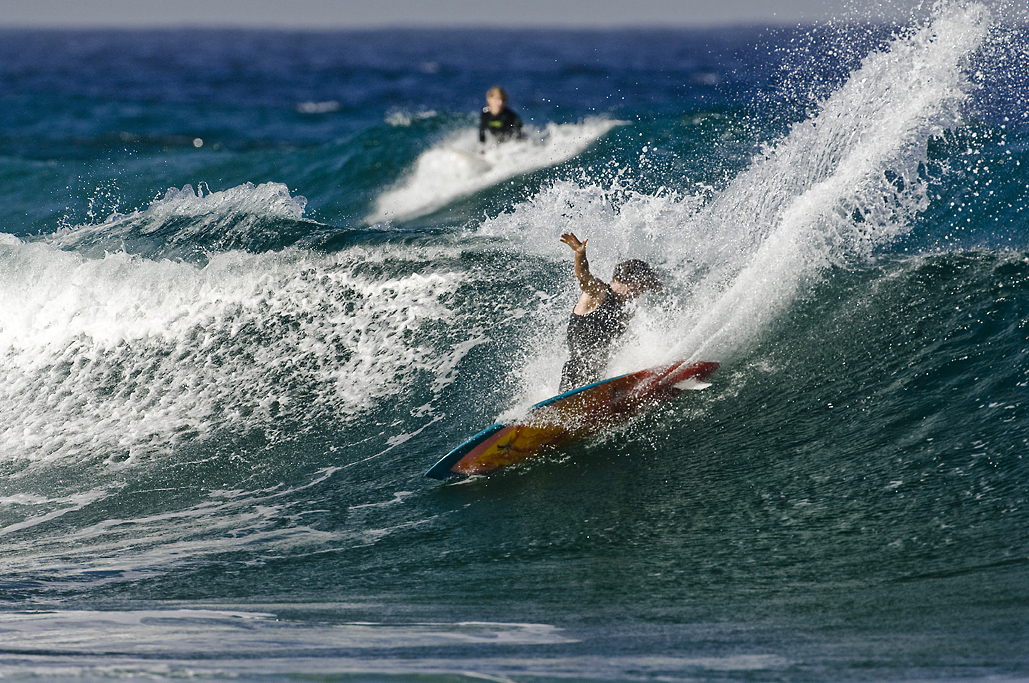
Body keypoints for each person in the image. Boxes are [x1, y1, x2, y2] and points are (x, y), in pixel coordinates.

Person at [559, 232, 662, 392]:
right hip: (577, 374)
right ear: (632, 281)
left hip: (598, 378)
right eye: (641, 287)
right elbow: (583, 277)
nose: (640, 293)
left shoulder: (623, 311)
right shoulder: (599, 292)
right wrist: (579, 254)